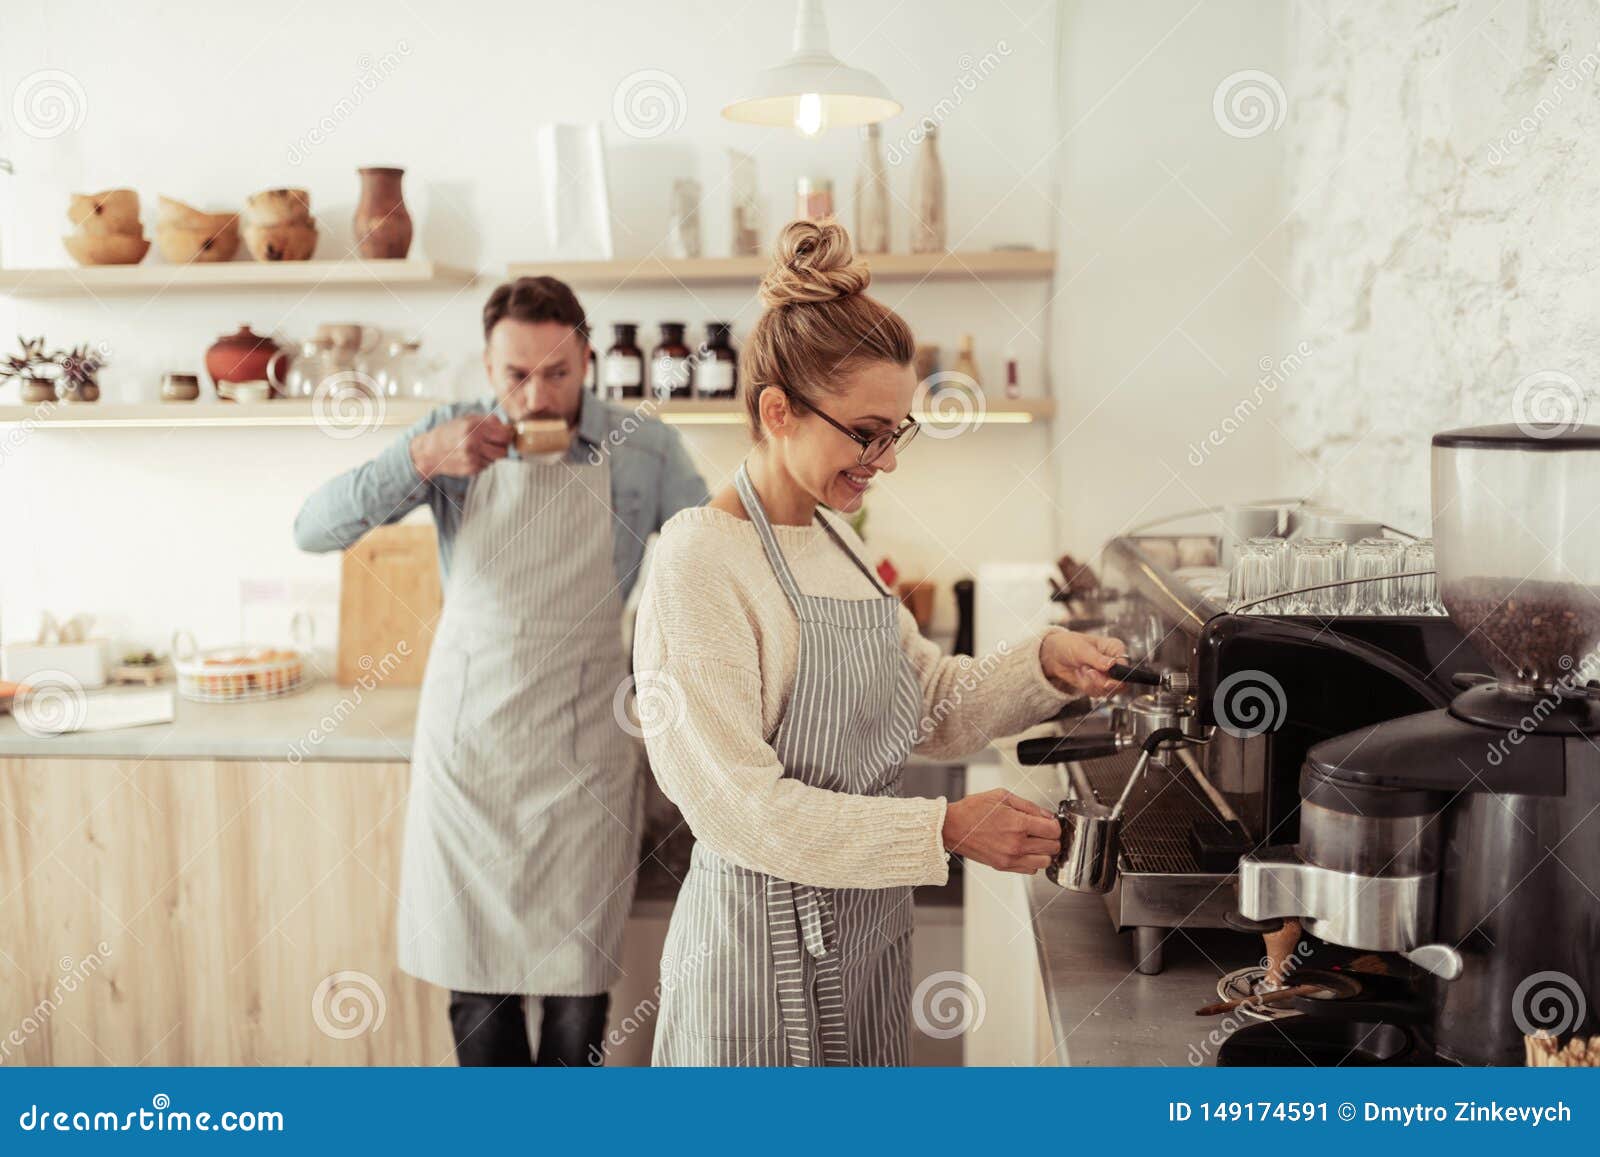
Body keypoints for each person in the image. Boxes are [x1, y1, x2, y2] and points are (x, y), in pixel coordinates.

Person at [632, 219, 1127, 1067]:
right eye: (867, 432)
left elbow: (929, 707)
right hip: (756, 963)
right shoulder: (698, 557)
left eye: (897, 431)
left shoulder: (842, 544)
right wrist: (942, 831)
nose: (885, 460)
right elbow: (741, 808)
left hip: (865, 942)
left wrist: (1044, 663)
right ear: (777, 411)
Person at [293, 276, 708, 1065]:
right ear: (487, 366)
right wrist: (417, 458)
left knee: (578, 996)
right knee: (478, 987)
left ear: (587, 358)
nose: (537, 396)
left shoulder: (644, 445)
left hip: (586, 748)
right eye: (517, 375)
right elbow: (311, 529)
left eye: (557, 372)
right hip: (471, 751)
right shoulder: (449, 439)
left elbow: (709, 556)